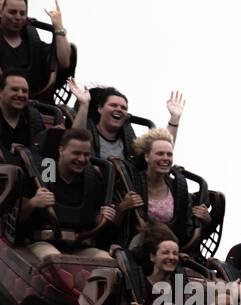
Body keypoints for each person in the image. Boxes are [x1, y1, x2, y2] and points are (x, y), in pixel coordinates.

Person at [18, 126, 121, 261]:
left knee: (110, 265)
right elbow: (17, 217)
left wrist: (102, 217)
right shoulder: (44, 173)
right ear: (61, 150)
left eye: (86, 154)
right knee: (57, 262)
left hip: (78, 245)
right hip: (43, 242)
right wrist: (33, 203)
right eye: (76, 153)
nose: (82, 159)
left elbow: (93, 219)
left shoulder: (91, 180)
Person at [116, 128, 209, 251]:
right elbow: (113, 224)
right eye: (160, 154)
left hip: (171, 251)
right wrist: (122, 208)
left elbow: (187, 231)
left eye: (169, 154)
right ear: (147, 157)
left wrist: (205, 221)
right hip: (137, 250)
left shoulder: (178, 189)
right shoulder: (131, 184)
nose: (165, 158)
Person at [0, 0, 69, 103]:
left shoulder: (32, 39)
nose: (18, 17)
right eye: (12, 12)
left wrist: (58, 28)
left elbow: (63, 62)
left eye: (22, 13)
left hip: (36, 103)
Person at [0, 69, 40, 158]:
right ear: (1, 92)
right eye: (14, 89)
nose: (20, 94)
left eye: (25, 91)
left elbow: (40, 152)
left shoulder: (34, 118)